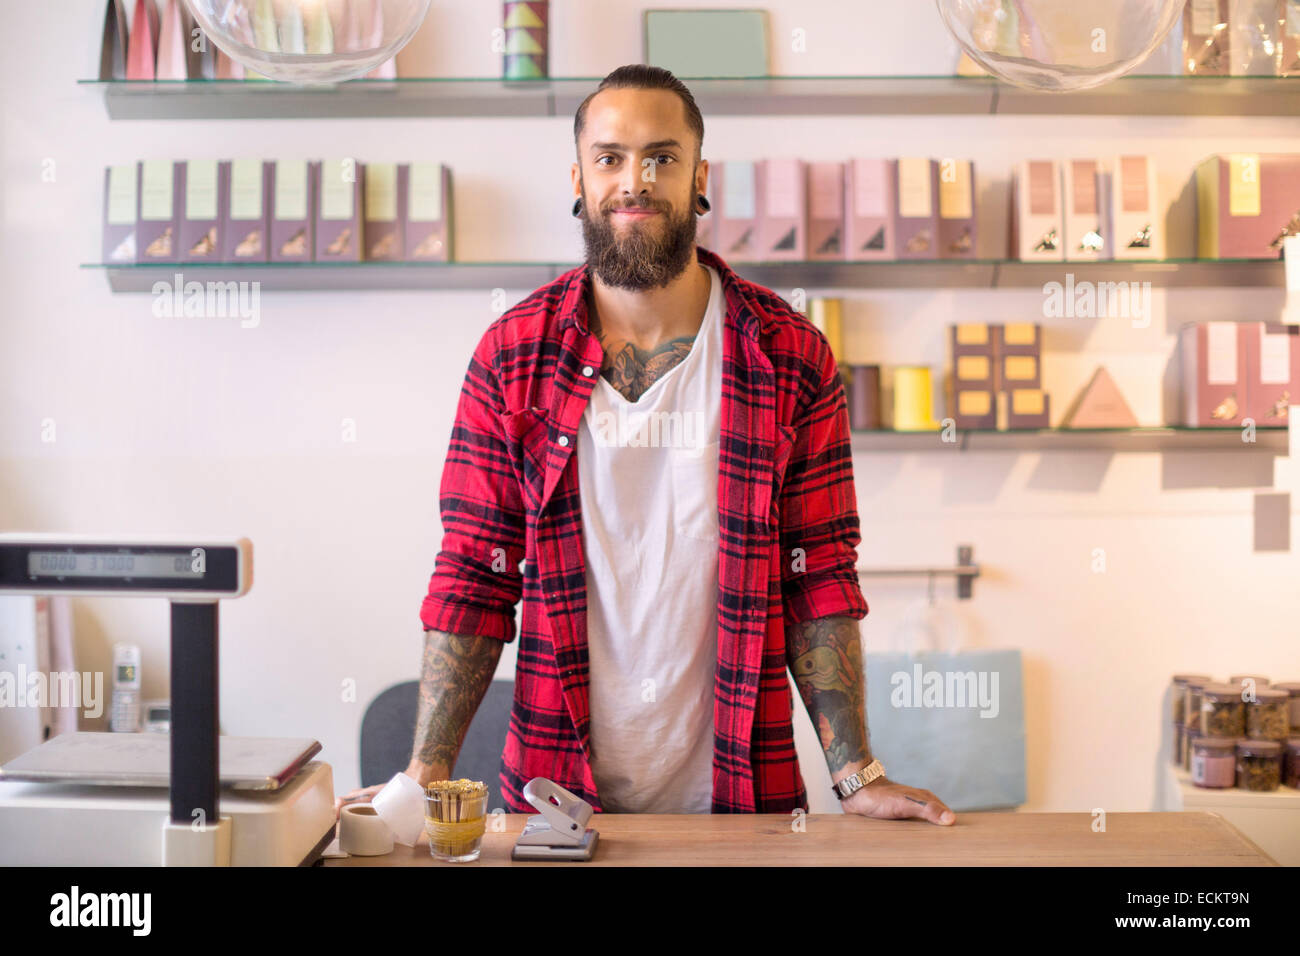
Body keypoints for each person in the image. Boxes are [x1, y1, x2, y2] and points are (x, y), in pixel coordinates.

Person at [337, 64, 954, 825]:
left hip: (744, 801)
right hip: (553, 804)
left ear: (700, 178)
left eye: (661, 158)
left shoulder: (791, 355)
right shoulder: (513, 356)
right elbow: (475, 571)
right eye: (611, 158)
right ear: (579, 179)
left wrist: (857, 775)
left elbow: (817, 575)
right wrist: (426, 773)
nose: (636, 180)